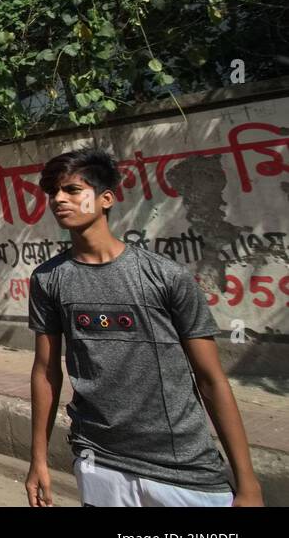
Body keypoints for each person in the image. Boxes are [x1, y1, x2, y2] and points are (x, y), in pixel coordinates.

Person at [25, 147, 263, 508]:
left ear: (106, 199)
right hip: (99, 460)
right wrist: (38, 460)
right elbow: (45, 372)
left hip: (182, 467)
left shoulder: (166, 277)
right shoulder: (48, 280)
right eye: (52, 192)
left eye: (72, 190)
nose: (58, 199)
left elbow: (211, 378)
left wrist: (248, 485)